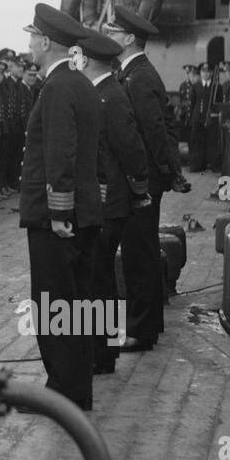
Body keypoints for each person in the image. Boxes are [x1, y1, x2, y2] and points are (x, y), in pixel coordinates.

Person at [19, 4, 101, 411]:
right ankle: (76, 387)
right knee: (78, 303)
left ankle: (63, 391)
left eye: (32, 36)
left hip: (60, 220)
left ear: (47, 42)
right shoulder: (82, 84)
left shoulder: (56, 87)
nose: (29, 43)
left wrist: (59, 213)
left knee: (54, 302)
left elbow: (60, 152)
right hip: (84, 213)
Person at [104, 6, 183, 353]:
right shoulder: (134, 73)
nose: (109, 37)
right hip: (145, 179)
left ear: (129, 38)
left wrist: (168, 173)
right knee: (142, 251)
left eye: (114, 32)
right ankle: (150, 324)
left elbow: (152, 131)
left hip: (142, 182)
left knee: (139, 254)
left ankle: (141, 330)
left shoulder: (138, 77)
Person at [78, 32, 149, 375]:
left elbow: (131, 149)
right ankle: (100, 350)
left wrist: (138, 188)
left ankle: (100, 353)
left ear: (88, 61)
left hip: (110, 203)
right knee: (98, 275)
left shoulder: (111, 96)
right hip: (107, 200)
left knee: (98, 276)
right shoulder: (102, 93)